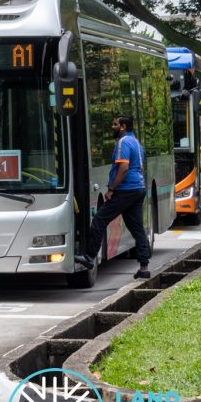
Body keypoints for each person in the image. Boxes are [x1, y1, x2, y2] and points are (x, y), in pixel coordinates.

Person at [76, 114, 150, 279]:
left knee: (99, 220)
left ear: (123, 127)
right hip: (138, 188)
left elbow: (123, 168)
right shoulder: (136, 142)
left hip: (126, 190)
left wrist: (111, 189)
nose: (112, 127)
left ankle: (89, 258)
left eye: (115, 124)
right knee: (137, 229)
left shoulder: (123, 142)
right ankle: (144, 267)